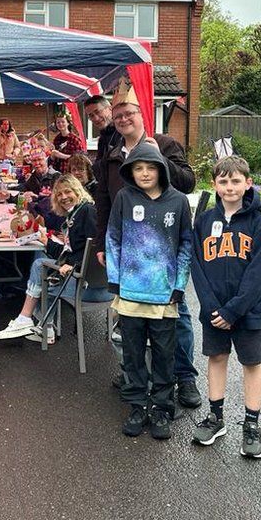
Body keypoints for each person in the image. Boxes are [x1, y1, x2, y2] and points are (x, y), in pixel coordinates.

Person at [90, 86, 201, 409]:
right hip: (129, 252)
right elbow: (104, 200)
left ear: (142, 115)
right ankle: (133, 373)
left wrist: (160, 157)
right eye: (119, 114)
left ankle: (184, 376)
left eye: (130, 113)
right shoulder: (111, 152)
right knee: (130, 316)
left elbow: (188, 182)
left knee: (175, 313)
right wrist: (102, 241)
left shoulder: (165, 144)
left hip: (163, 251)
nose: (124, 119)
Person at [107, 142, 192, 441]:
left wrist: (179, 285)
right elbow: (113, 238)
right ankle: (137, 405)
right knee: (132, 354)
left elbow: (186, 245)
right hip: (130, 294)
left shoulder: (178, 201)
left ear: (161, 169)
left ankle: (161, 408)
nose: (144, 173)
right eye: (139, 168)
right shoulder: (124, 197)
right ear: (131, 171)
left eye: (151, 167)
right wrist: (115, 280)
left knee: (164, 355)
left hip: (164, 295)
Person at [190, 156, 261, 459]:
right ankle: (216, 417)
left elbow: (259, 272)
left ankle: (251, 425)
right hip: (213, 310)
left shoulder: (258, 223)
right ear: (214, 185)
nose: (229, 186)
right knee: (217, 358)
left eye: (236, 180)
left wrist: (233, 310)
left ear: (248, 183)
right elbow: (196, 266)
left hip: (248, 311)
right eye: (223, 181)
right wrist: (214, 308)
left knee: (252, 363)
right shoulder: (203, 222)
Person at [0, 175, 110, 342]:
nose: (64, 197)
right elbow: (70, 253)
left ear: (78, 191)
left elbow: (95, 248)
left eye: (68, 192)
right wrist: (45, 241)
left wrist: (74, 266)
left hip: (90, 288)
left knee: (40, 269)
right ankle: (44, 328)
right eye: (59, 194)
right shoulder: (77, 213)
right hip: (88, 281)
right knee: (44, 273)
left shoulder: (87, 212)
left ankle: (26, 319)